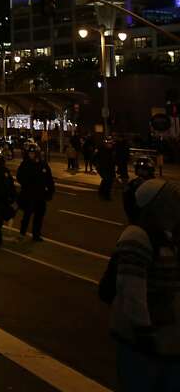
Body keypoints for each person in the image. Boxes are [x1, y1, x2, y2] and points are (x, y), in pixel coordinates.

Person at [110, 179, 180, 390]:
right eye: (172, 201)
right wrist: (144, 333)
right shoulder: (137, 236)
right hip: (144, 344)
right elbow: (132, 293)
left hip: (169, 342)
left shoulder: (170, 236)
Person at [16, 143, 55, 242]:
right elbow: (19, 176)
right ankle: (22, 233)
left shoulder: (43, 165)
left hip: (40, 195)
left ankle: (36, 234)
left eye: (33, 153)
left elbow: (49, 180)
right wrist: (26, 184)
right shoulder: (25, 164)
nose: (31, 155)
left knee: (39, 216)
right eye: (30, 153)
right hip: (28, 194)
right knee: (27, 215)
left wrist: (50, 192)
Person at [125, 155, 158, 223]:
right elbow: (127, 201)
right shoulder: (133, 184)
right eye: (139, 169)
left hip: (153, 217)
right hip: (138, 216)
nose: (141, 171)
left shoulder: (155, 183)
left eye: (144, 169)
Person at [97, 136, 117, 201]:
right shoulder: (102, 149)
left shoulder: (112, 150)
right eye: (108, 143)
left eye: (111, 143)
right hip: (103, 168)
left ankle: (101, 191)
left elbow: (113, 160)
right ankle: (106, 195)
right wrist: (98, 165)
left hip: (110, 168)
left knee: (106, 180)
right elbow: (95, 158)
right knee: (108, 181)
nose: (110, 144)